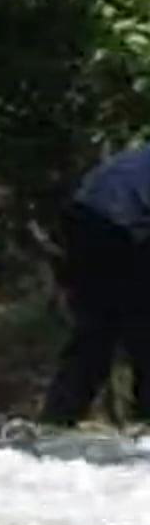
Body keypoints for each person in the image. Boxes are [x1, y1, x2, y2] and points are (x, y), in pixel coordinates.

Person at [44, 144, 150, 427]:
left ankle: (58, 416)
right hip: (108, 228)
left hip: (87, 221)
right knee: (120, 328)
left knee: (97, 332)